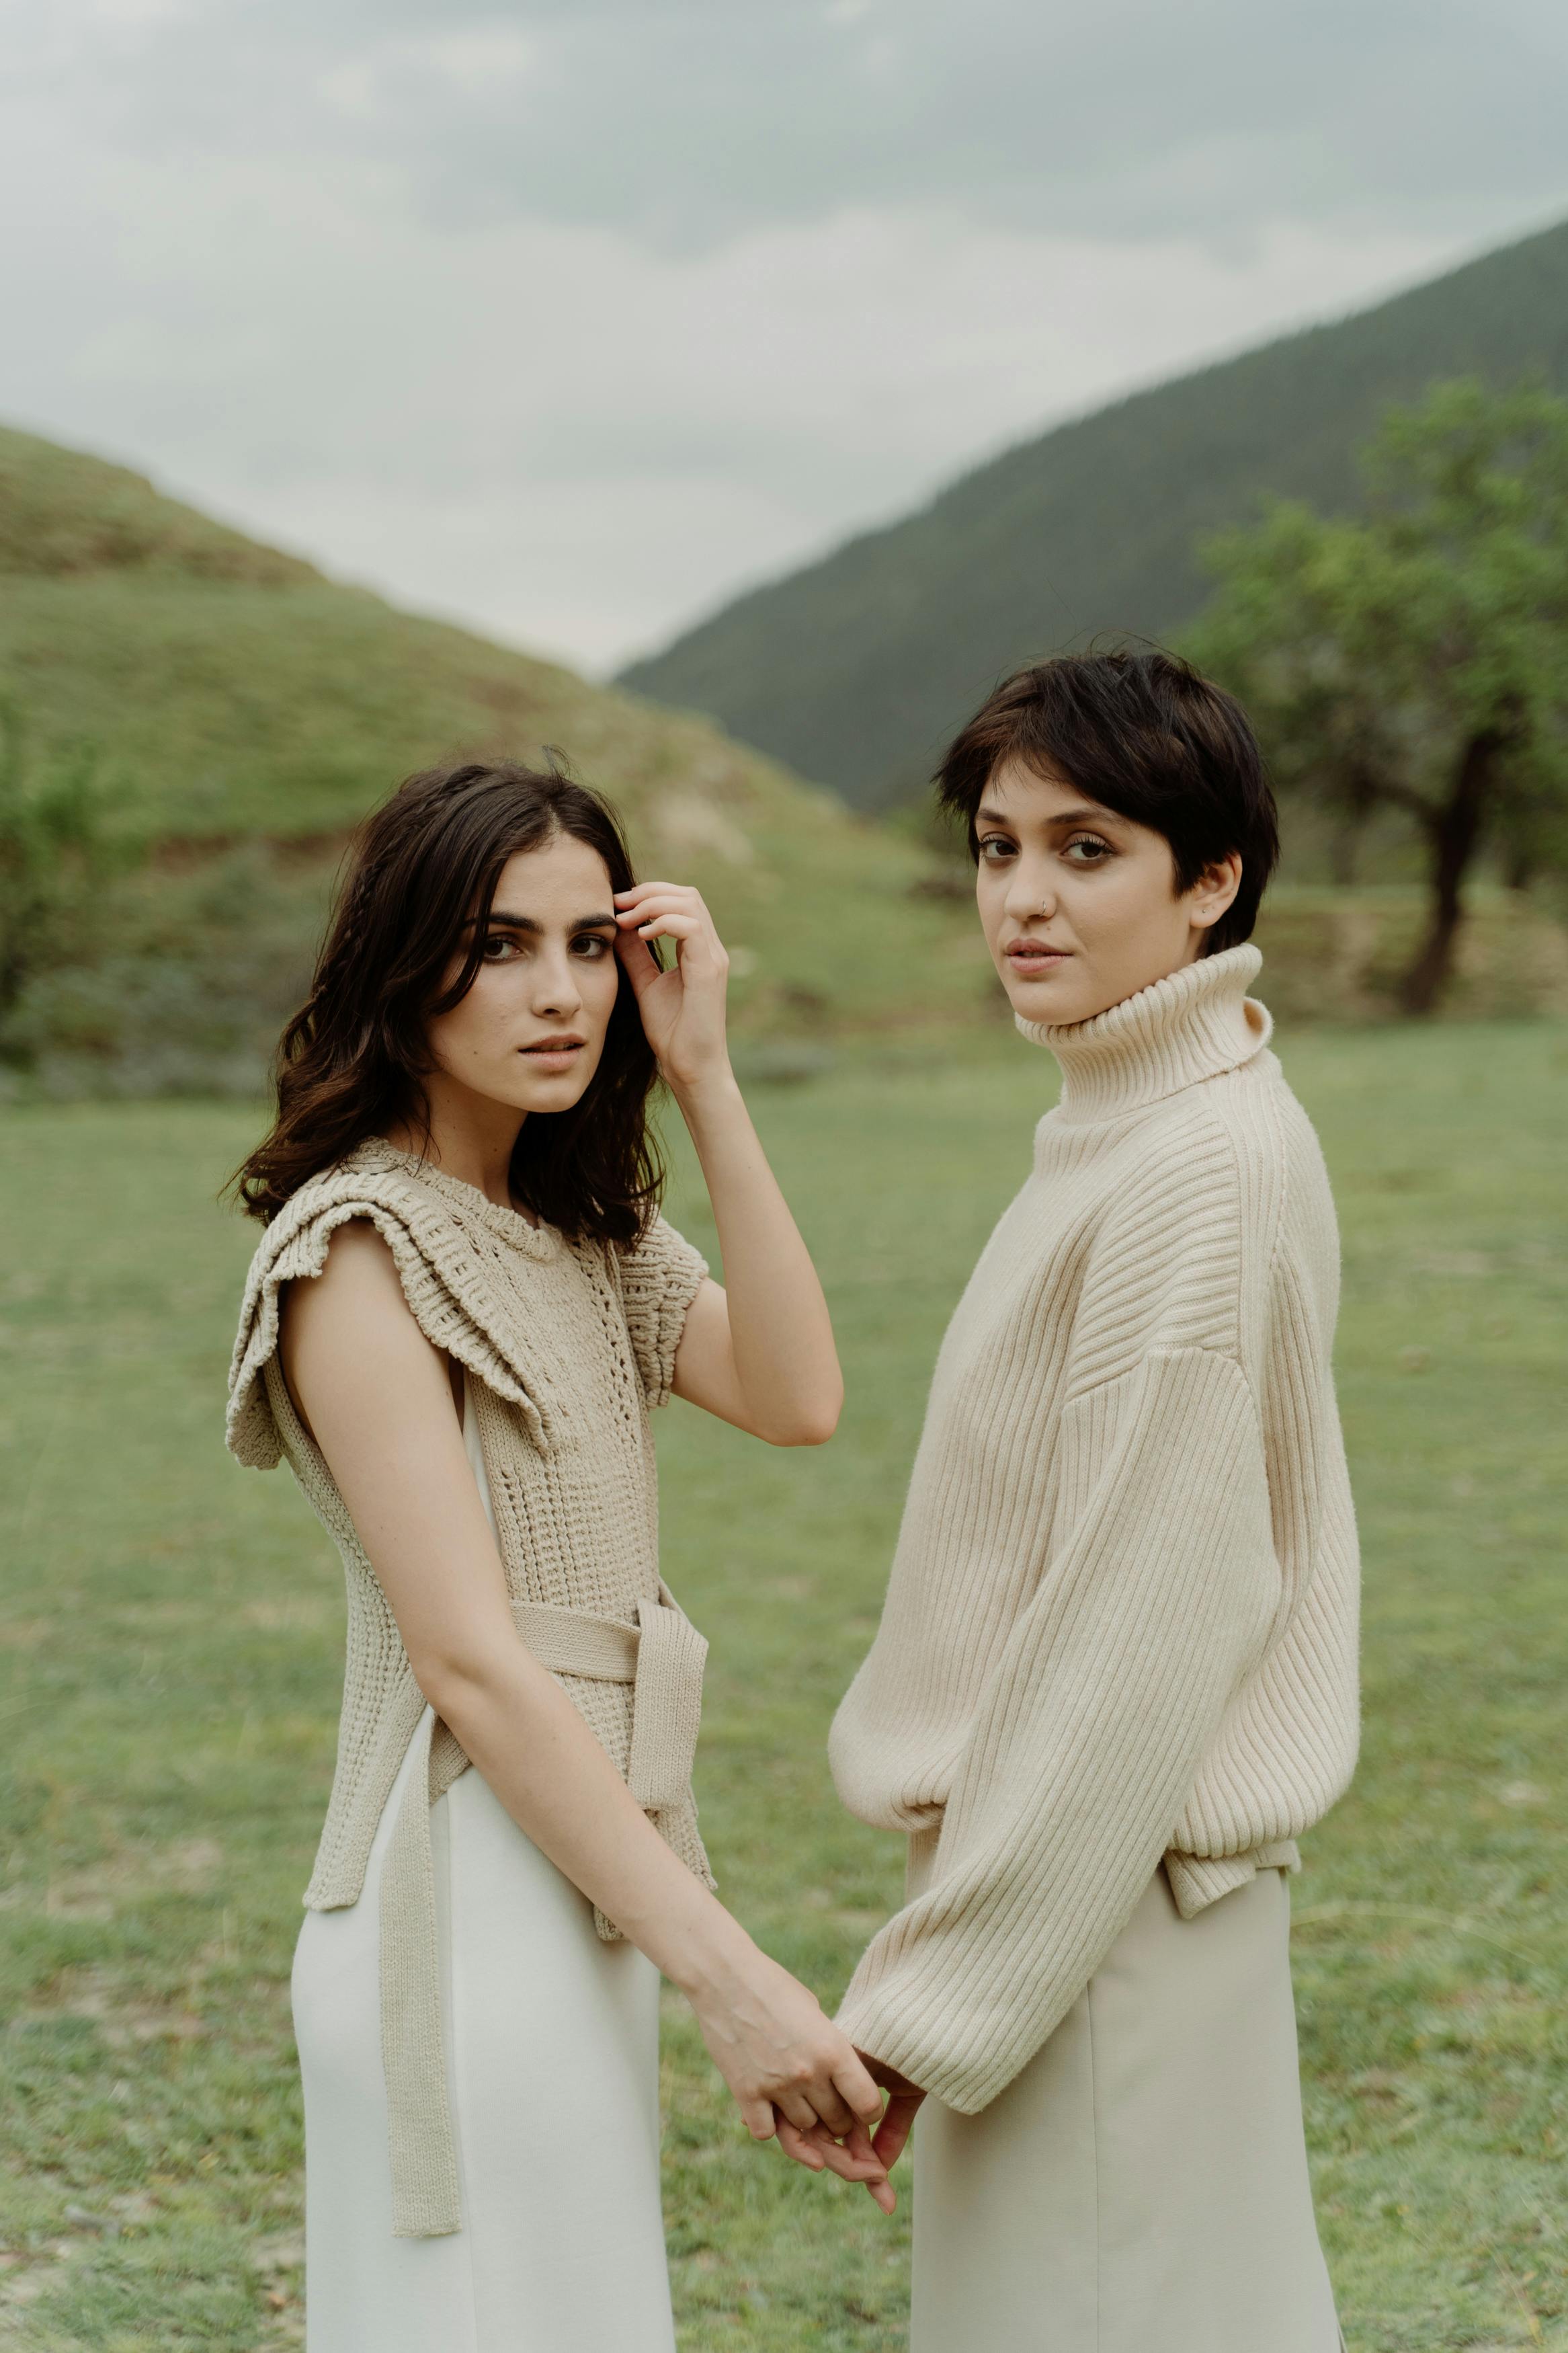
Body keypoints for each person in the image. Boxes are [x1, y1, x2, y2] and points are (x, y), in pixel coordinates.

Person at [225, 759, 890, 2353]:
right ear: (407, 963)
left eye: (590, 943)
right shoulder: (356, 1250)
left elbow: (799, 1395)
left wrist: (708, 1081)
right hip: (459, 1904)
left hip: (594, 1889)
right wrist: (735, 1980)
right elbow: (467, 1660)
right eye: (502, 943)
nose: (560, 990)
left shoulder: (587, 1229)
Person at [830, 651, 1358, 2352]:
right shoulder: (1135, 1123)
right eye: (997, 850)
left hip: (1103, 1915)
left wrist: (937, 2000)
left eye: (1087, 848)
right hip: (1077, 1893)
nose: (1025, 899)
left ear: (1210, 883)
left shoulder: (1195, 1163)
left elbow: (1143, 1625)